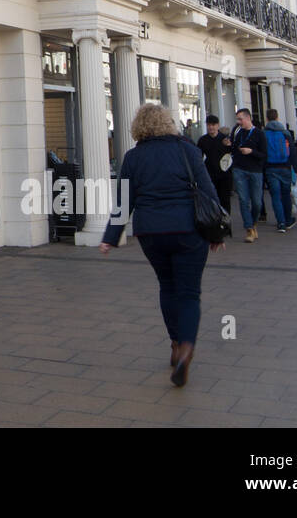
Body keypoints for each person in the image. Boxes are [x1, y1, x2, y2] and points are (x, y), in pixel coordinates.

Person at [100, 103, 223, 388]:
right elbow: (208, 191)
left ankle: (175, 343)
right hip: (189, 229)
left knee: (167, 286)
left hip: (151, 232)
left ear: (139, 127)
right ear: (169, 123)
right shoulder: (188, 150)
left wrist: (110, 237)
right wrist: (217, 235)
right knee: (189, 293)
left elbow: (123, 202)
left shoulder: (133, 157)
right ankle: (187, 348)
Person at [230, 108, 266, 242]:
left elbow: (264, 155)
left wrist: (251, 151)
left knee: (257, 202)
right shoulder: (238, 132)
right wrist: (229, 145)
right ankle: (249, 229)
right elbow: (233, 148)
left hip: (255, 170)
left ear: (248, 118)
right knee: (243, 200)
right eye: (237, 119)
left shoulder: (259, 134)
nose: (238, 122)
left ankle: (253, 222)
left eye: (240, 119)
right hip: (239, 169)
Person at [262, 109, 296, 233]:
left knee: (275, 196)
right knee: (286, 194)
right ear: (277, 117)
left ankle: (280, 222)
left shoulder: (264, 133)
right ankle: (288, 220)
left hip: (271, 168)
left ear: (267, 119)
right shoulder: (285, 132)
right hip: (285, 167)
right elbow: (292, 152)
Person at [196, 115, 234, 218]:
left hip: (224, 175)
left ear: (217, 126)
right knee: (212, 199)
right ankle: (214, 222)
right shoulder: (202, 140)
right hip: (210, 175)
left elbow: (232, 154)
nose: (211, 127)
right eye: (208, 125)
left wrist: (230, 146)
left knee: (225, 200)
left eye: (213, 125)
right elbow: (198, 156)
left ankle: (226, 222)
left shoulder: (225, 139)